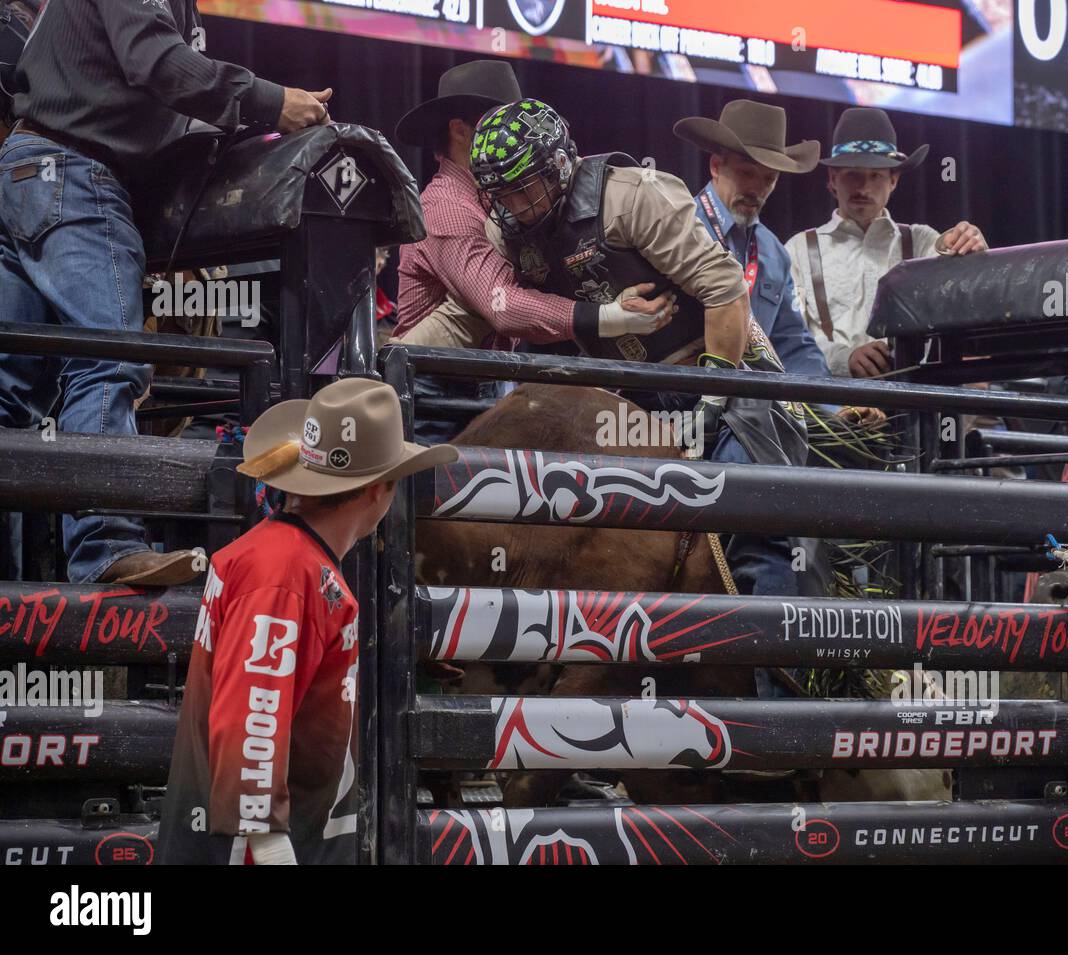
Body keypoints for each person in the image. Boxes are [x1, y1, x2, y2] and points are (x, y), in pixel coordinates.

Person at [0, 0, 331, 585]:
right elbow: (155, 60)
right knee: (109, 361)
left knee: (9, 392)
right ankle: (106, 548)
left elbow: (158, 84)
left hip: (31, 171)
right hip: (75, 171)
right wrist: (271, 99)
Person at [470, 97, 804, 599]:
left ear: (559, 167)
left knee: (754, 526)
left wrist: (711, 397)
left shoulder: (633, 197)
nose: (515, 207)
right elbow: (523, 314)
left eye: (525, 189)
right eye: (501, 195)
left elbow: (726, 288)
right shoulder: (507, 231)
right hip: (626, 397)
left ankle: (772, 670)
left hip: (725, 382)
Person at [157, 378, 457, 864]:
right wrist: (271, 846)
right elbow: (252, 714)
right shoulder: (286, 572)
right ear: (379, 490)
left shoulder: (282, 560)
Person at [393, 60, 671, 444]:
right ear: (460, 130)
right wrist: (608, 316)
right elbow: (501, 304)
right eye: (498, 122)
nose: (515, 135)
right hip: (431, 394)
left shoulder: (499, 205)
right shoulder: (448, 207)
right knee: (436, 497)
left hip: (477, 381)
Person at [785, 107, 987, 380]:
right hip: (831, 405)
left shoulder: (922, 241)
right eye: (852, 175)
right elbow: (787, 335)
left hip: (910, 404)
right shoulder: (798, 249)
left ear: (894, 181)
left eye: (876, 176)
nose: (863, 188)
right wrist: (844, 358)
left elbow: (964, 292)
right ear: (833, 180)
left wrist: (972, 249)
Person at [672, 100, 828, 377]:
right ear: (716, 166)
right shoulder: (676, 226)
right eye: (746, 173)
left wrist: (832, 408)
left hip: (750, 408)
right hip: (675, 395)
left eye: (769, 178)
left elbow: (792, 343)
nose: (757, 189)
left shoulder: (775, 253)